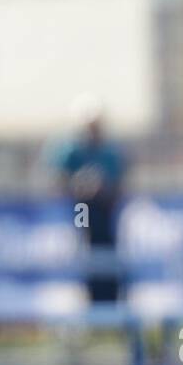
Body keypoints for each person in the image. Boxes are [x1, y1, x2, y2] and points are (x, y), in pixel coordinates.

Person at [50, 106, 129, 304]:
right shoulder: (72, 151)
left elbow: (117, 186)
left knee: (106, 256)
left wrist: (100, 189)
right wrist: (79, 186)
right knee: (85, 246)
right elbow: (60, 181)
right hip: (81, 210)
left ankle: (108, 303)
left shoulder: (109, 151)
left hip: (105, 214)